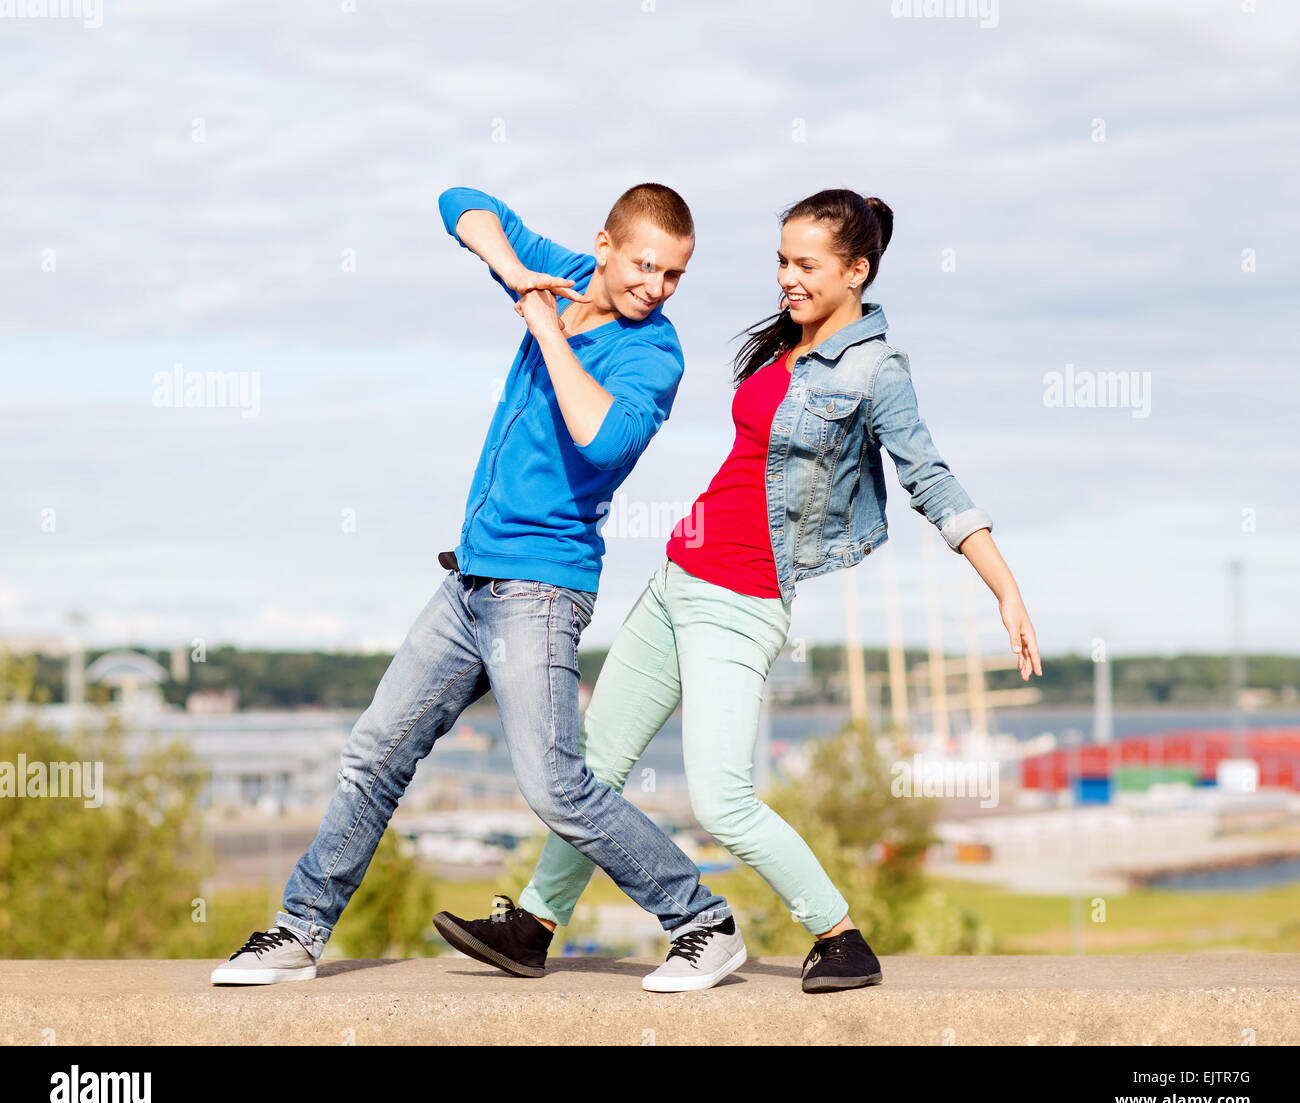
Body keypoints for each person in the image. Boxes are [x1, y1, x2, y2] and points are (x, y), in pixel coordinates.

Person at [438, 189, 1042, 994]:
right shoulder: (786, 349)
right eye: (782, 262)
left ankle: (841, 936)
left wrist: (1003, 586)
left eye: (806, 265)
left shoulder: (875, 369)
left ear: (857, 270)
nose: (786, 279)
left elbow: (930, 477)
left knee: (721, 800)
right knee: (596, 766)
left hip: (742, 598)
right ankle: (533, 926)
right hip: (677, 579)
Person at [211, 183, 750, 993]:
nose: (657, 288)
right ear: (604, 246)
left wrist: (541, 322)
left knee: (554, 784)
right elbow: (459, 201)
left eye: (674, 275)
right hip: (467, 584)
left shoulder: (656, 354)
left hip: (540, 590)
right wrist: (515, 272)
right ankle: (298, 931)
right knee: (373, 754)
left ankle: (701, 922)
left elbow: (599, 436)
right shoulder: (562, 272)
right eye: (645, 265)